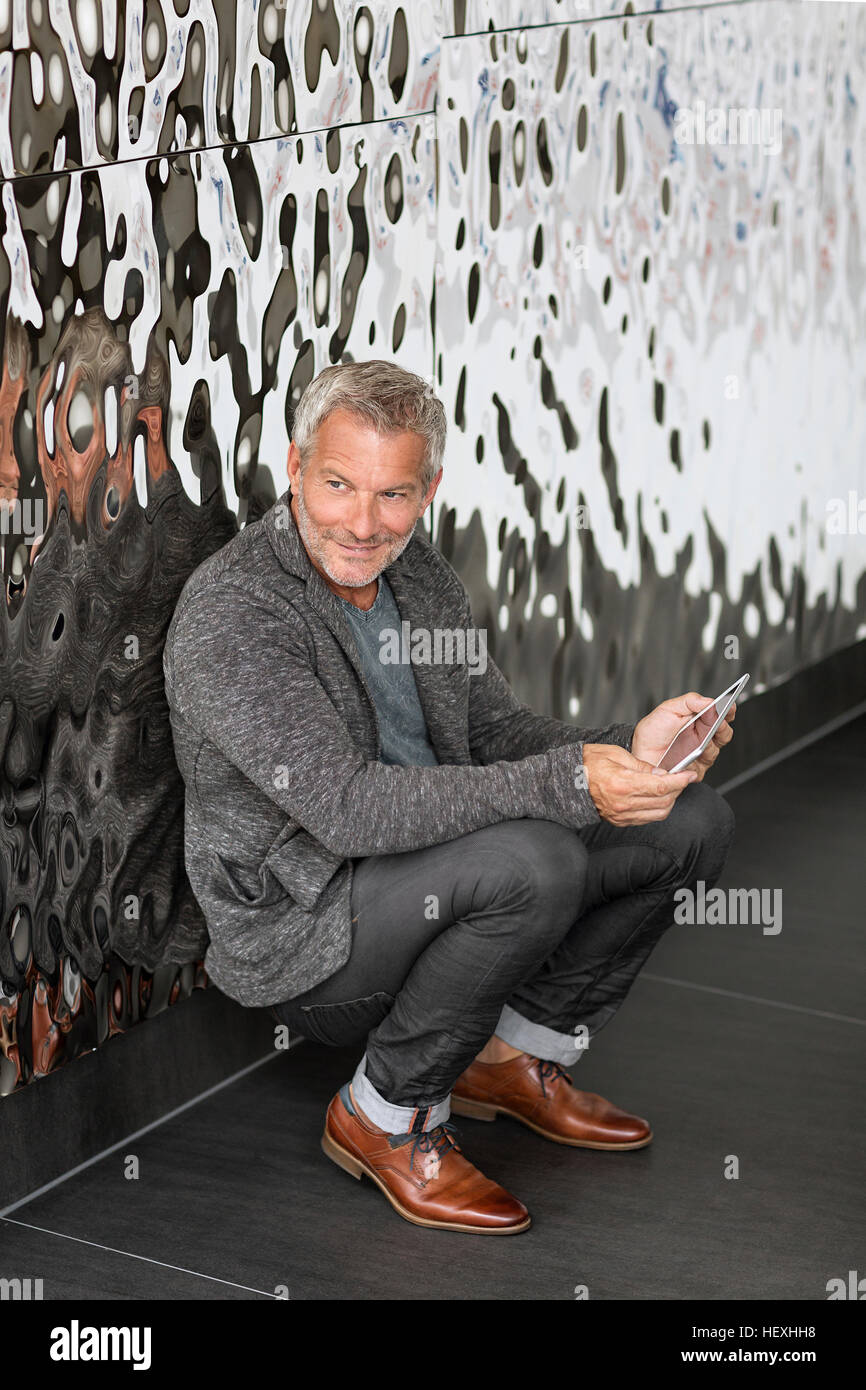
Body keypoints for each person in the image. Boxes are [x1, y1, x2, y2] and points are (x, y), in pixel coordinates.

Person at [163, 358, 737, 1236]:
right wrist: (573, 780)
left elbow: (495, 735)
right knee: (534, 861)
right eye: (338, 484)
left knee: (689, 820)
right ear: (293, 467)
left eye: (393, 495)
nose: (362, 523)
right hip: (308, 922)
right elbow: (348, 808)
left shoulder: (418, 576)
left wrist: (627, 749)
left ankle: (510, 1060)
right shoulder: (235, 613)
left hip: (431, 870)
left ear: (429, 489)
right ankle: (384, 1114)